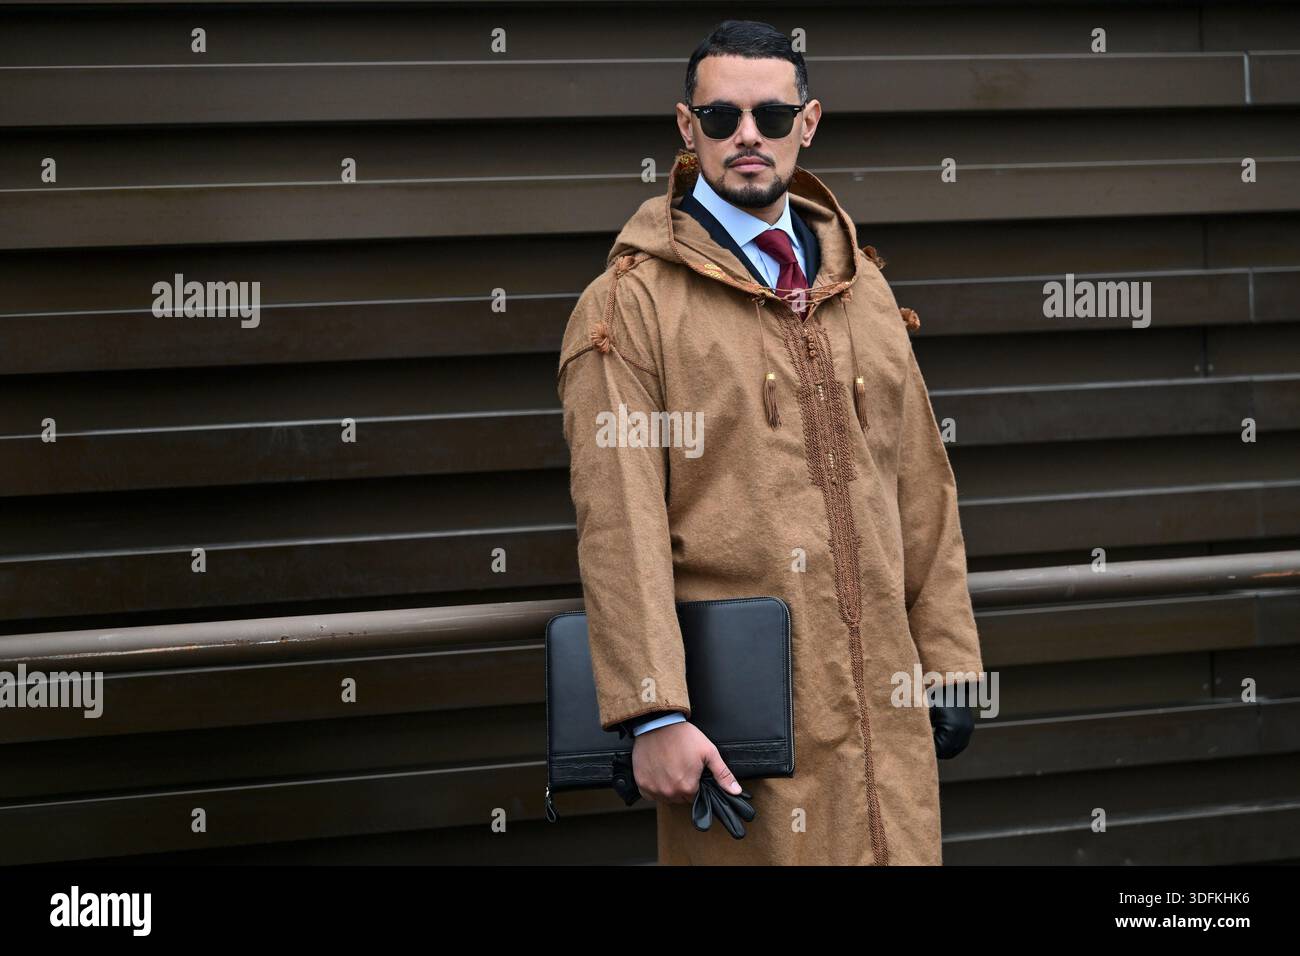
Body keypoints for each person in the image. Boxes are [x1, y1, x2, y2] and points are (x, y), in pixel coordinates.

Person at [556, 19, 984, 865]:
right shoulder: (629, 307)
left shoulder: (860, 289)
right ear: (688, 129)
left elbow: (920, 488)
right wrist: (655, 713)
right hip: (738, 728)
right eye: (720, 119)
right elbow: (620, 521)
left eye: (771, 116)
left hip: (884, 716)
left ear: (808, 123)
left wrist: (951, 658)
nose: (747, 136)